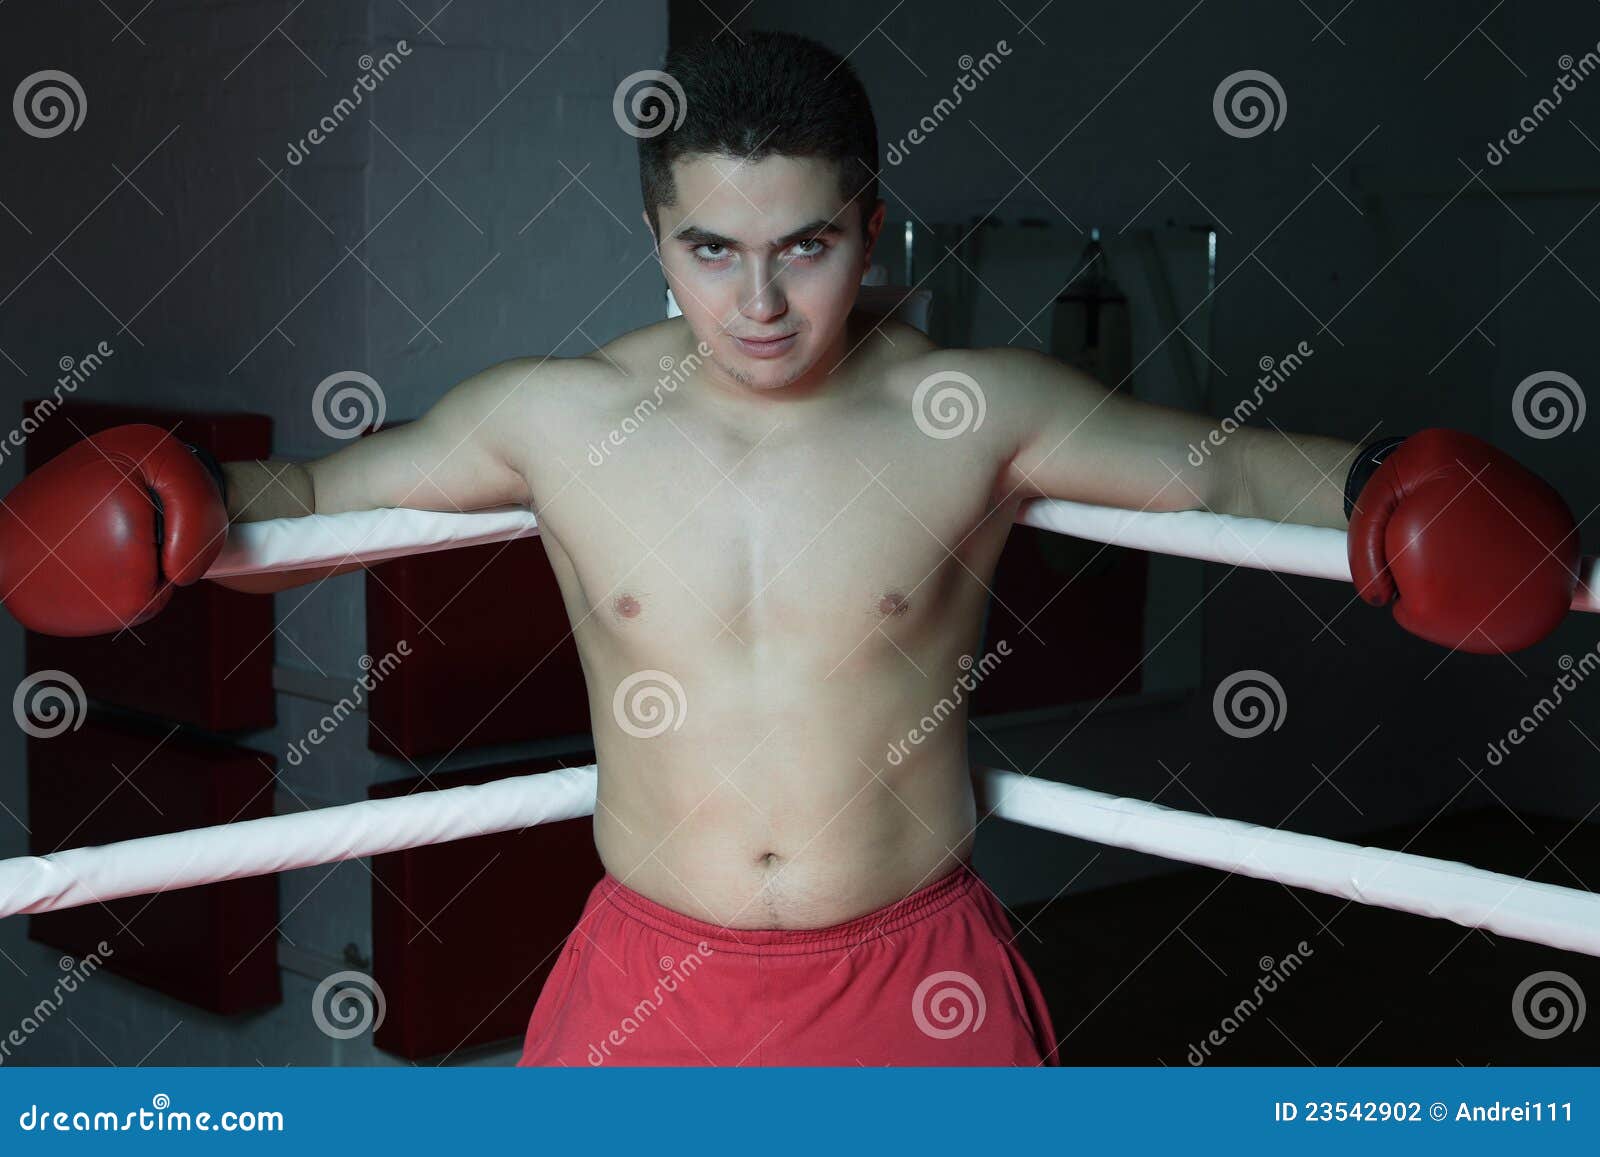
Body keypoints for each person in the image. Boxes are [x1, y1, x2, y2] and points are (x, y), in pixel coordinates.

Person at [0, 32, 1578, 1066]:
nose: (759, 306)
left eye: (805, 248)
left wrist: (1389, 487)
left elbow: (1221, 467)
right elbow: (321, 501)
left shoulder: (974, 410)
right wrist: (172, 502)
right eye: (712, 250)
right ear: (656, 237)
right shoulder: (556, 419)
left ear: (870, 228)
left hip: (913, 981)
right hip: (644, 978)